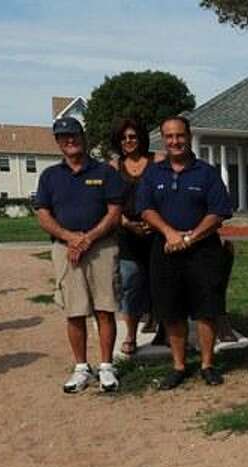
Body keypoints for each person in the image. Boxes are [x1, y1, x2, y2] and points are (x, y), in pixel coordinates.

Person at [137, 115, 234, 389]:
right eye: (169, 136)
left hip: (203, 250)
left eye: (179, 135)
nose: (175, 141)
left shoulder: (207, 173)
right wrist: (169, 233)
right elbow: (145, 209)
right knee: (172, 310)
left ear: (188, 137)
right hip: (165, 249)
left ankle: (207, 365)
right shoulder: (153, 173)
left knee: (206, 309)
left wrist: (190, 238)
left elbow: (218, 212)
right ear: (163, 139)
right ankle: (179, 366)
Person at [34, 116, 126, 393]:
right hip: (66, 250)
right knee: (74, 311)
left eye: (74, 135)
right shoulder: (50, 176)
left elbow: (115, 212)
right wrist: (70, 238)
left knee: (104, 308)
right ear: (58, 142)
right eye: (63, 137)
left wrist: (88, 239)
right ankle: (81, 367)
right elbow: (43, 214)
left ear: (83, 137)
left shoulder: (105, 172)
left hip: (102, 247)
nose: (70, 140)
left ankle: (106, 366)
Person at [108, 117, 154, 358]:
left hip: (155, 230)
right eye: (124, 137)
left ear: (141, 138)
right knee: (130, 283)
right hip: (126, 233)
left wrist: (154, 221)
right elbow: (107, 201)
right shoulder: (113, 167)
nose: (128, 141)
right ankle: (131, 335)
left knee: (160, 282)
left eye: (133, 136)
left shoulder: (157, 162)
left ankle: (164, 329)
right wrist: (126, 222)